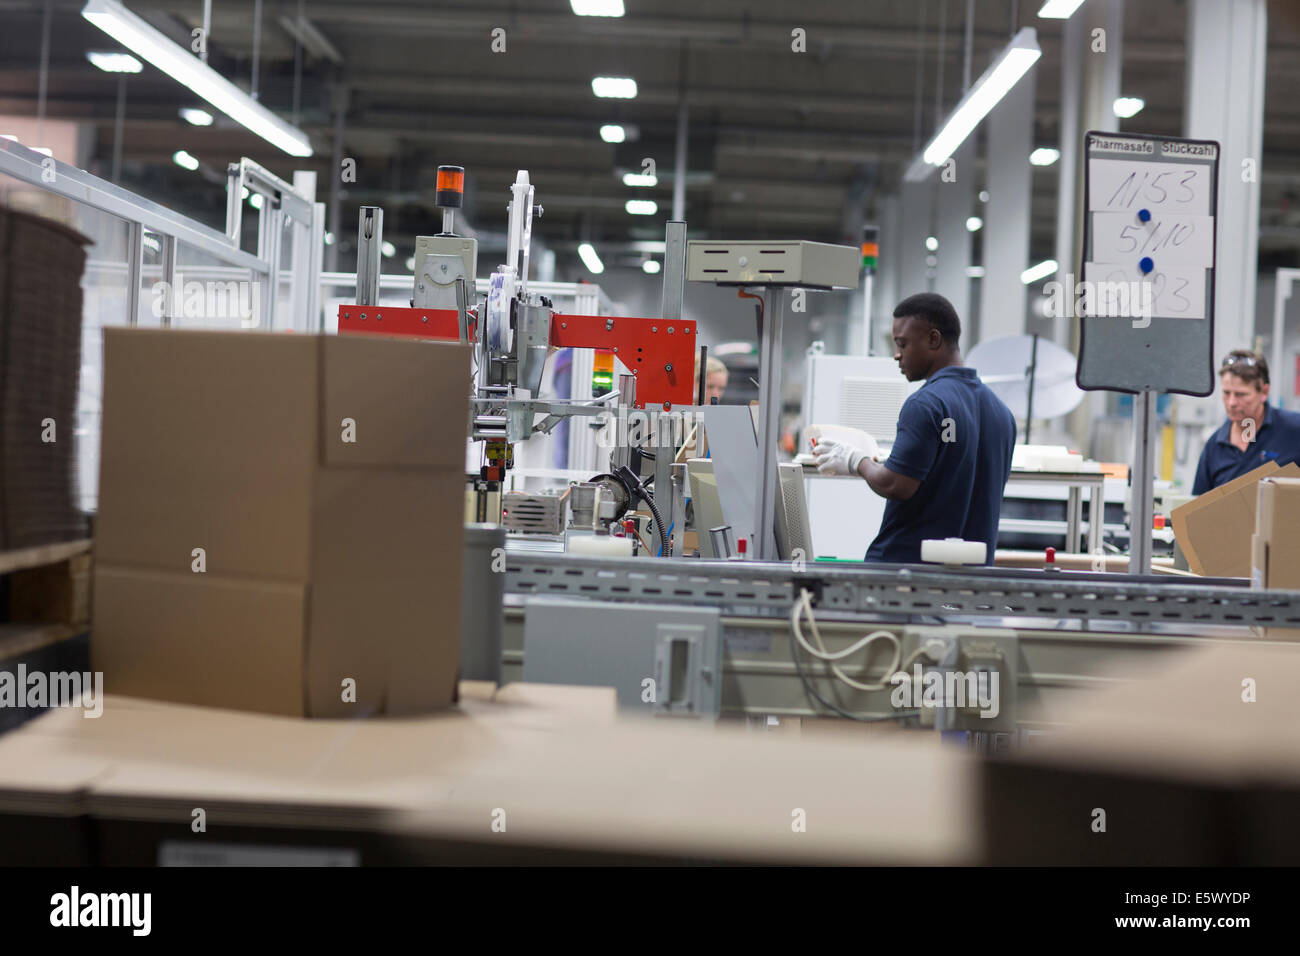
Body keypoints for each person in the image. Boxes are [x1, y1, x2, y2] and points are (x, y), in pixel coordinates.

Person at [811, 292, 1016, 565]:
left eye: (902, 344)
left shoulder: (926, 404)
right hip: (973, 583)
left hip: (906, 576)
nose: (896, 355)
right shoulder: (1002, 413)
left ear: (934, 339)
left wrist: (855, 459)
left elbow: (896, 484)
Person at [1192, 350, 1300, 494]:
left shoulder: (1293, 431)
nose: (1231, 403)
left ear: (1264, 392)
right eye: (1226, 393)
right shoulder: (1215, 446)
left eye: (1240, 394)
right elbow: (1198, 508)